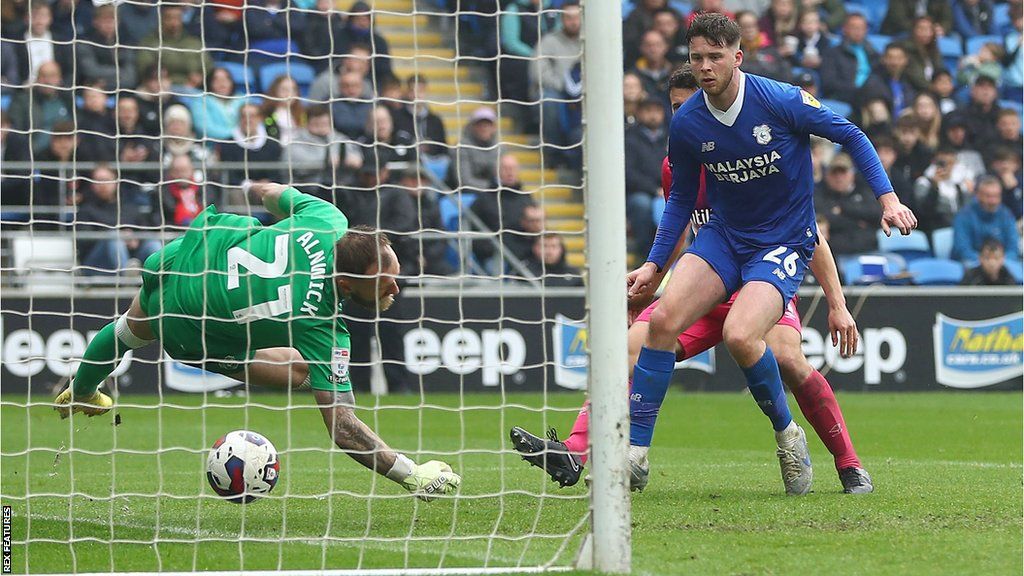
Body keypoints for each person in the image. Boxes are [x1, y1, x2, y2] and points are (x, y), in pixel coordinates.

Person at [512, 64, 874, 496]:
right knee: (627, 349)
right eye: (675, 109)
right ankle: (578, 450)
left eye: (688, 107)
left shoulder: (755, 152)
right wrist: (651, 277)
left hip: (761, 279)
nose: (682, 117)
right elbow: (679, 226)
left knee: (788, 360)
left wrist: (836, 303)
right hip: (709, 281)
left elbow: (806, 234)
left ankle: (846, 462)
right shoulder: (680, 159)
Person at [624, 15, 914, 495]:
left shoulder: (781, 100)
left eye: (715, 56)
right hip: (723, 236)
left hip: (780, 242)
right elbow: (679, 202)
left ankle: (787, 433)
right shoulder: (689, 120)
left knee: (742, 335)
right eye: (697, 58)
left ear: (737, 56)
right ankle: (635, 453)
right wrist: (655, 265)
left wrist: (887, 198)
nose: (705, 66)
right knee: (660, 324)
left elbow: (854, 136)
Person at [55, 182, 462, 501]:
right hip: (191, 325)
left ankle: (83, 390)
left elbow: (268, 193)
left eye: (393, 269)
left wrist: (251, 187)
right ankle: (87, 390)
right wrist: (412, 473)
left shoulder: (326, 218)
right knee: (302, 370)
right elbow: (343, 430)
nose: (396, 284)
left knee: (128, 330)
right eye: (384, 279)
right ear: (344, 283)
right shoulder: (323, 325)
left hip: (194, 252)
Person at [952, 176, 1021, 263]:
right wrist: (987, 263)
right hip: (972, 264)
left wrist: (999, 262)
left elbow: (1013, 247)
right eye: (988, 196)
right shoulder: (963, 216)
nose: (993, 201)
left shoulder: (1006, 214)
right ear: (978, 195)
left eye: (996, 196)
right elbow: (962, 250)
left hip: (1002, 263)